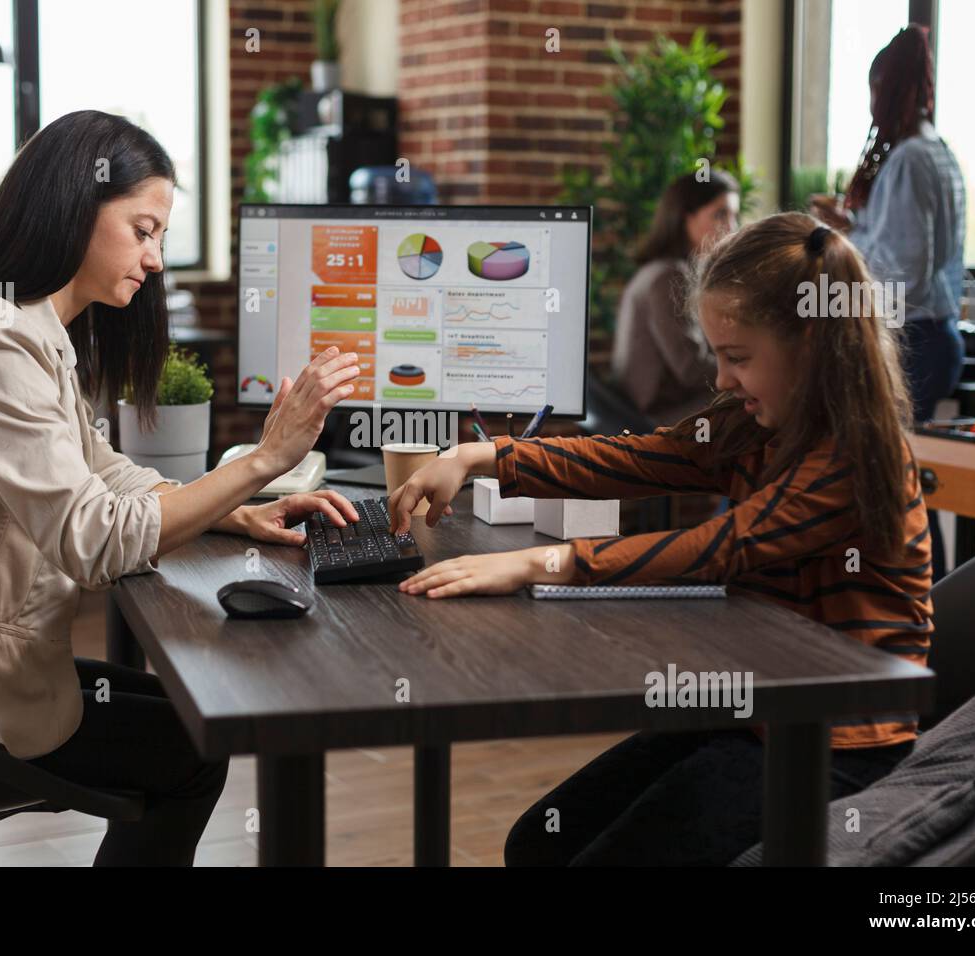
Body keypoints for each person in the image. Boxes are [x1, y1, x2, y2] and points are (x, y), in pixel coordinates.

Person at [0, 110, 365, 866]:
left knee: (185, 723)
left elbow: (104, 473)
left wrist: (238, 510)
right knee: (191, 753)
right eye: (143, 229)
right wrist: (260, 461)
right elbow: (95, 542)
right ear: (74, 207)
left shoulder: (21, 325)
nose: (156, 258)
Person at [386, 213, 930, 865]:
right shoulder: (757, 422)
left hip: (839, 737)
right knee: (537, 844)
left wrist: (542, 562)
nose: (723, 380)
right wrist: (484, 456)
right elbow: (642, 456)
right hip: (754, 706)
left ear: (810, 346)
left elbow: (725, 546)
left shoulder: (853, 455)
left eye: (738, 358)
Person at [810, 24, 966, 581]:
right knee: (903, 472)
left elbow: (902, 275)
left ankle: (915, 587)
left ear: (886, 88)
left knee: (889, 475)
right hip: (940, 337)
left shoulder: (906, 161)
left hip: (914, 340)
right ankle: (932, 589)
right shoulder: (939, 153)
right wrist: (855, 225)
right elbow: (913, 250)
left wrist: (841, 244)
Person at [611, 170, 740, 425]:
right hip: (659, 417)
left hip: (657, 408)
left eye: (734, 215)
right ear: (685, 217)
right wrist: (749, 364)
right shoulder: (670, 276)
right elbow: (691, 370)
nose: (732, 227)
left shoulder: (658, 270)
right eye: (720, 214)